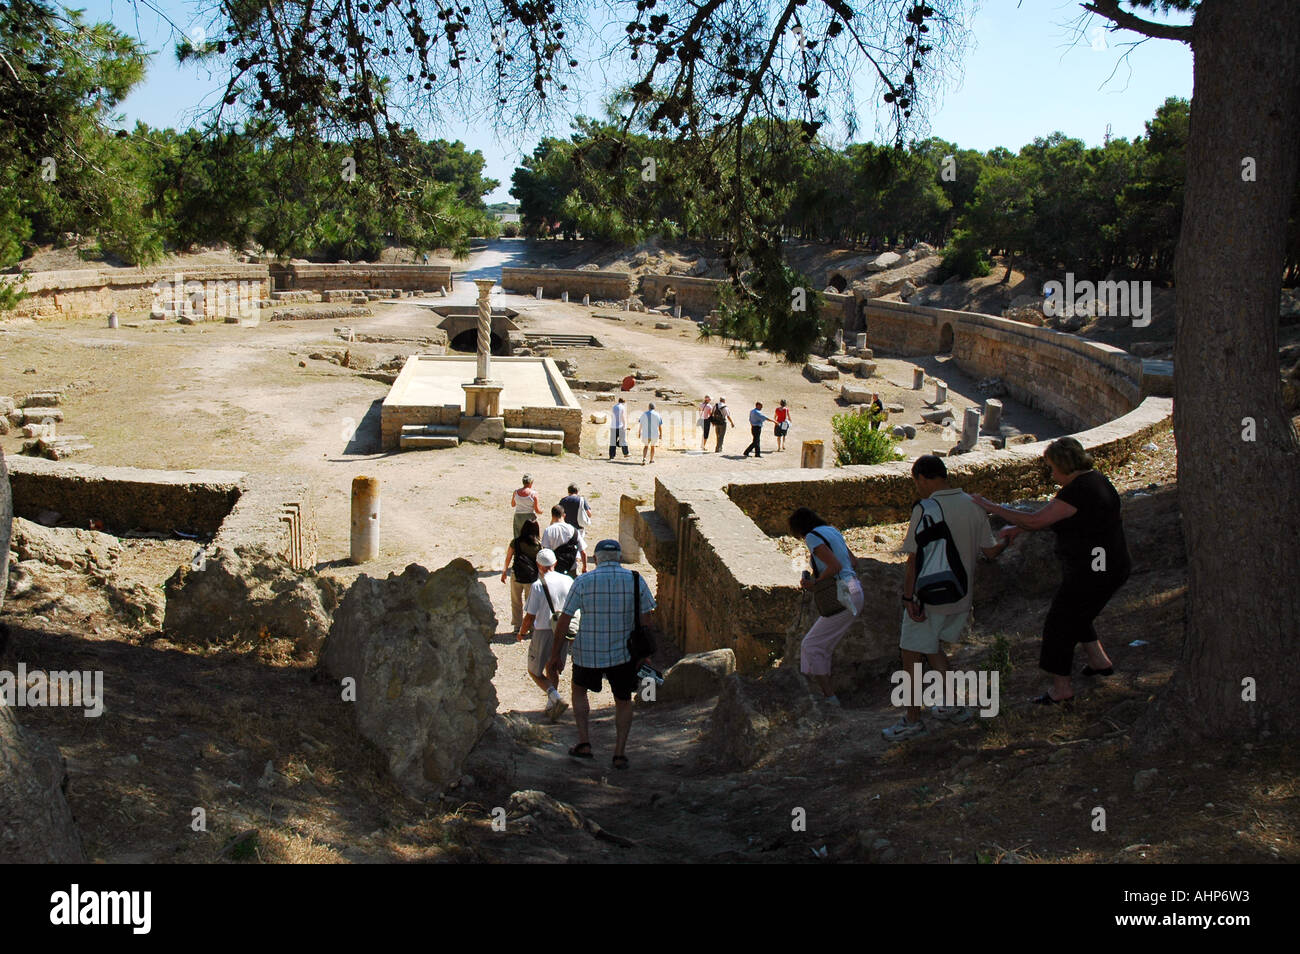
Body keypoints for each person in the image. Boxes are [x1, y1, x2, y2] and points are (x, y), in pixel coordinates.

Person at [971, 437, 1130, 704]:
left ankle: (1061, 689)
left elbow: (1038, 519)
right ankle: (1099, 662)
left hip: (1094, 570)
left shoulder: (1077, 491)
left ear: (1065, 465)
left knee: (1059, 625)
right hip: (1109, 564)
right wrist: (1020, 528)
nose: (1052, 474)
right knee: (1079, 614)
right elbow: (1062, 518)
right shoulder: (1096, 481)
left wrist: (990, 506)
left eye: (1053, 468)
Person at [883, 455, 1011, 741]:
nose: (917, 488)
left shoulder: (926, 508)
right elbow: (990, 552)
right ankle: (954, 705)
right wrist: (1008, 538)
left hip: (928, 596)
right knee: (931, 648)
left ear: (924, 478)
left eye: (917, 481)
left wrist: (908, 598)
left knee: (911, 656)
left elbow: (913, 561)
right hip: (960, 595)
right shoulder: (974, 505)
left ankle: (913, 720)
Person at [548, 539, 656, 770]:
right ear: (618, 557)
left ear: (596, 558)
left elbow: (565, 619)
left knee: (579, 692)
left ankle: (584, 742)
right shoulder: (636, 580)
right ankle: (619, 754)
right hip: (623, 654)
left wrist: (555, 653)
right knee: (623, 700)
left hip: (588, 651)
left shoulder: (583, 581)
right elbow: (646, 618)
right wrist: (645, 654)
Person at [789, 507, 864, 705]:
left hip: (842, 594)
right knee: (822, 645)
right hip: (855, 589)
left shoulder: (812, 537)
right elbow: (852, 562)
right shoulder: (832, 531)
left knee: (811, 644)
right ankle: (826, 693)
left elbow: (835, 566)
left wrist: (815, 583)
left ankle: (829, 698)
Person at [518, 548, 573, 721]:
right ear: (555, 563)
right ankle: (552, 706)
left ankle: (555, 698)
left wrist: (522, 632)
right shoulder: (568, 580)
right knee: (553, 667)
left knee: (534, 670)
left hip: (543, 630)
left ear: (538, 565)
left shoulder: (537, 585)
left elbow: (530, 615)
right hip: (563, 629)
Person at [500, 518, 542, 631]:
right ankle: (531, 625)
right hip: (531, 577)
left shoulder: (516, 542)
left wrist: (504, 572)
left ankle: (517, 626)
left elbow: (508, 557)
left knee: (516, 601)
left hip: (516, 575)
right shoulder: (538, 545)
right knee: (531, 603)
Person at [540, 505, 586, 576]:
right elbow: (583, 552)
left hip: (555, 569)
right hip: (571, 568)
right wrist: (584, 567)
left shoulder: (548, 530)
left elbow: (546, 552)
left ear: (552, 516)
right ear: (564, 515)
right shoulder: (574, 530)